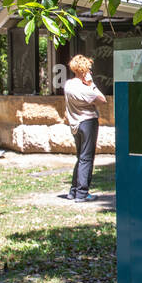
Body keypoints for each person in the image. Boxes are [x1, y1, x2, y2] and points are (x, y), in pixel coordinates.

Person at [62, 54, 106, 201]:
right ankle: (82, 193)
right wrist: (91, 84)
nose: (90, 72)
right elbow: (102, 100)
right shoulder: (84, 89)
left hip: (75, 124)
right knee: (87, 158)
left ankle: (73, 191)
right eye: (88, 69)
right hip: (88, 122)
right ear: (83, 71)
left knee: (80, 157)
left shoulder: (68, 85)